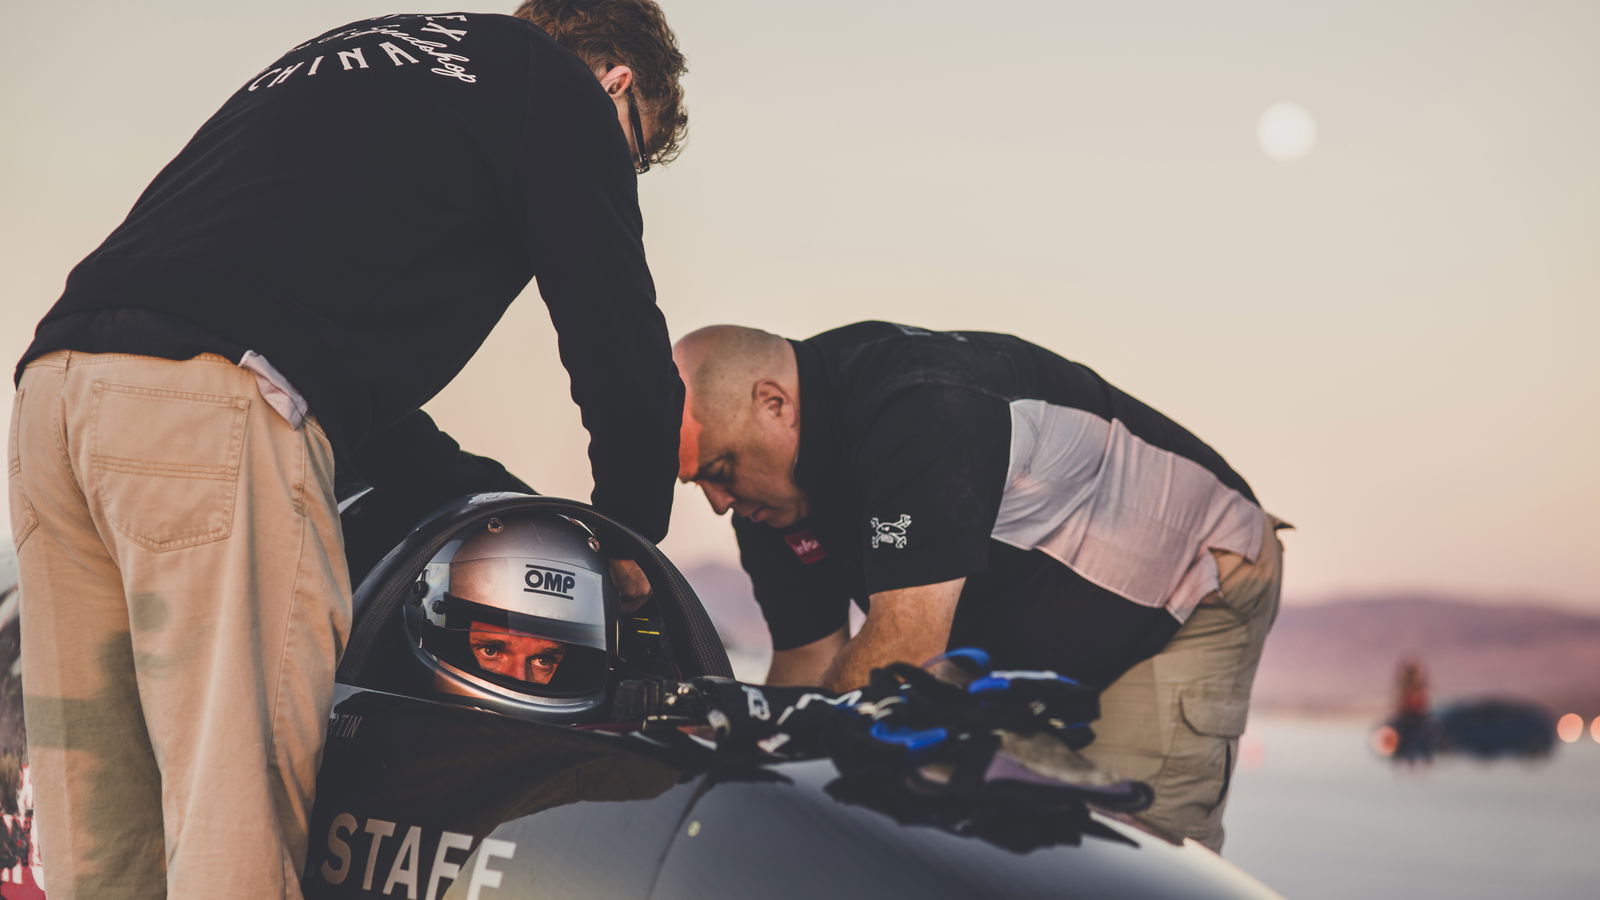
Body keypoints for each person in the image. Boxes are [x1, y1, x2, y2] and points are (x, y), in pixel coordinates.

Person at [6, 2, 687, 896]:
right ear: (617, 83)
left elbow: (360, 409)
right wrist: (629, 539)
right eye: (631, 155)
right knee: (232, 812)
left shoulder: (368, 58)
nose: (617, 176)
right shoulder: (554, 87)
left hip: (55, 395)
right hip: (213, 407)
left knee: (100, 835)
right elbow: (619, 345)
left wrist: (494, 496)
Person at [672, 320, 1288, 850]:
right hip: (1019, 627)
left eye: (720, 470)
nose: (719, 502)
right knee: (954, 823)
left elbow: (902, 654)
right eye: (699, 482)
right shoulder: (767, 498)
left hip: (1190, 582)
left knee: (1121, 847)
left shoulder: (921, 407)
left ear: (773, 403)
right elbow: (810, 663)